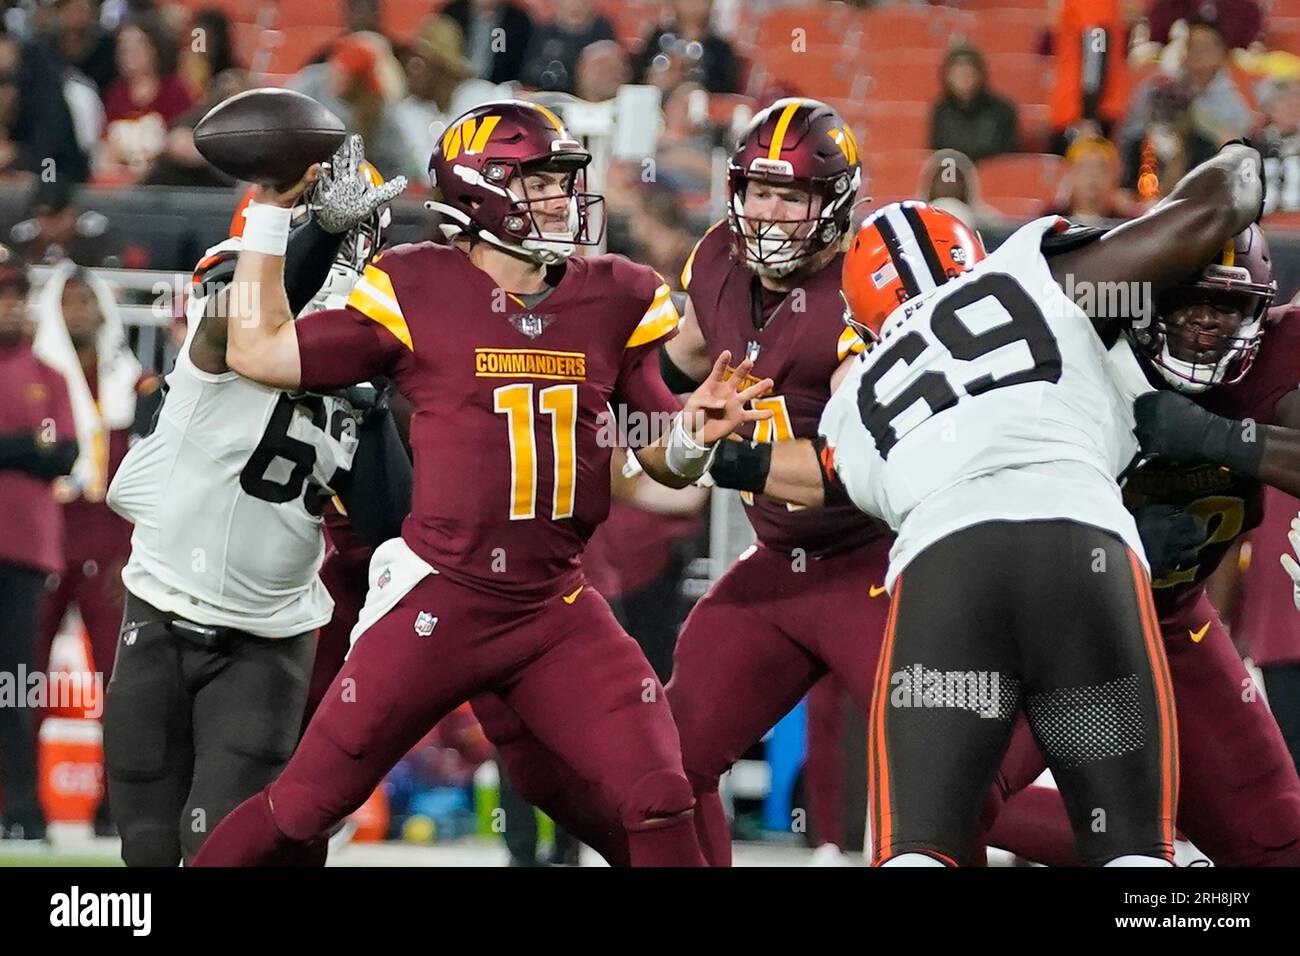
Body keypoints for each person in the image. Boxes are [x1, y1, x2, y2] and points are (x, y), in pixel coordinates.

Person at [190, 100, 772, 868]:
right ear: (482, 192)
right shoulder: (416, 284)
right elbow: (259, 352)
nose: (564, 199)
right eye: (540, 183)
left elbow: (657, 454)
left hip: (555, 604)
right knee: (306, 805)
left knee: (660, 792)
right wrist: (269, 211)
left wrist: (696, 434)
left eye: (564, 182)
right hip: (444, 596)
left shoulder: (616, 294)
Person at [743, 140, 1266, 865]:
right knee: (1137, 853)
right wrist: (1241, 158)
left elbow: (826, 477)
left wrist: (710, 454)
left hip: (944, 577)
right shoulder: (1029, 267)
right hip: (1084, 557)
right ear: (970, 255)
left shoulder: (854, 403)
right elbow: (1215, 206)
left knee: (918, 853)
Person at [101, 137, 405, 866]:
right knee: (145, 852)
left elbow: (391, 526)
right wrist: (313, 230)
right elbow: (246, 321)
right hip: (161, 610)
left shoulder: (365, 358)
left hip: (268, 639)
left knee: (219, 849)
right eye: (326, 221)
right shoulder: (233, 292)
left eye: (349, 227)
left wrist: (375, 404)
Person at [983, 224, 1300, 866]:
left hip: (1174, 621)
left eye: (1229, 307)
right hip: (1048, 628)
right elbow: (984, 503)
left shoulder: (1276, 360)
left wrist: (1218, 438)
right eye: (1187, 301)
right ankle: (1153, 861)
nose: (1207, 324)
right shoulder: (1074, 346)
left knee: (1278, 841)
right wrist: (1113, 544)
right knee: (948, 798)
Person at [651, 98, 897, 866]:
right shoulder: (717, 260)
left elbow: (867, 466)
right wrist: (640, 424)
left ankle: (1149, 861)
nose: (770, 211)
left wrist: (719, 455)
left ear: (834, 206)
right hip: (777, 569)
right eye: (760, 191)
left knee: (952, 785)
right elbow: (671, 364)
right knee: (665, 767)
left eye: (792, 196)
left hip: (885, 568)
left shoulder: (865, 295)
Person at [30, 259, 161, 832]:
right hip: (48, 528)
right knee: (22, 672)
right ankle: (16, 804)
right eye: (70, 302)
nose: (79, 312)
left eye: (87, 302)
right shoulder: (34, 374)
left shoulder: (132, 377)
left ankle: (118, 807)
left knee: (121, 677)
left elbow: (156, 458)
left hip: (113, 537)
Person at [0, 250, 77, 842]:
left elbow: (66, 453)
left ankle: (24, 809)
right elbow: (42, 451)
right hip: (25, 542)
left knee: (18, 681)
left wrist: (18, 449)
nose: (10, 306)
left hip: (23, 551)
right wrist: (24, 448)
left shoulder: (47, 373)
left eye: (15, 295)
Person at [98, 13, 192, 180]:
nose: (128, 55)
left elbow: (182, 139)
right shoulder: (116, 93)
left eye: (136, 47)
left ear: (154, 49)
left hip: (165, 180)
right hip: (123, 181)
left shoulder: (174, 89)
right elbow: (106, 143)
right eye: (123, 49)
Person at [928, 45, 1019, 164]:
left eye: (968, 72)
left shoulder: (1003, 110)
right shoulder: (940, 111)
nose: (964, 78)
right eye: (958, 73)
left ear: (980, 74)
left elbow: (1006, 157)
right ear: (947, 77)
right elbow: (938, 154)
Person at [633, 0, 738, 95]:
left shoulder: (720, 48)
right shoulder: (657, 38)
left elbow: (725, 91)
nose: (694, 8)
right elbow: (638, 80)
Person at [519, 0, 616, 94]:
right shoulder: (543, 32)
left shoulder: (603, 31)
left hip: (588, 104)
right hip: (546, 101)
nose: (575, 3)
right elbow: (528, 74)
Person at [443, 0, 535, 86]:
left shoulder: (517, 21)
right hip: (454, 86)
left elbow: (517, 67)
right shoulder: (452, 13)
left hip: (496, 89)